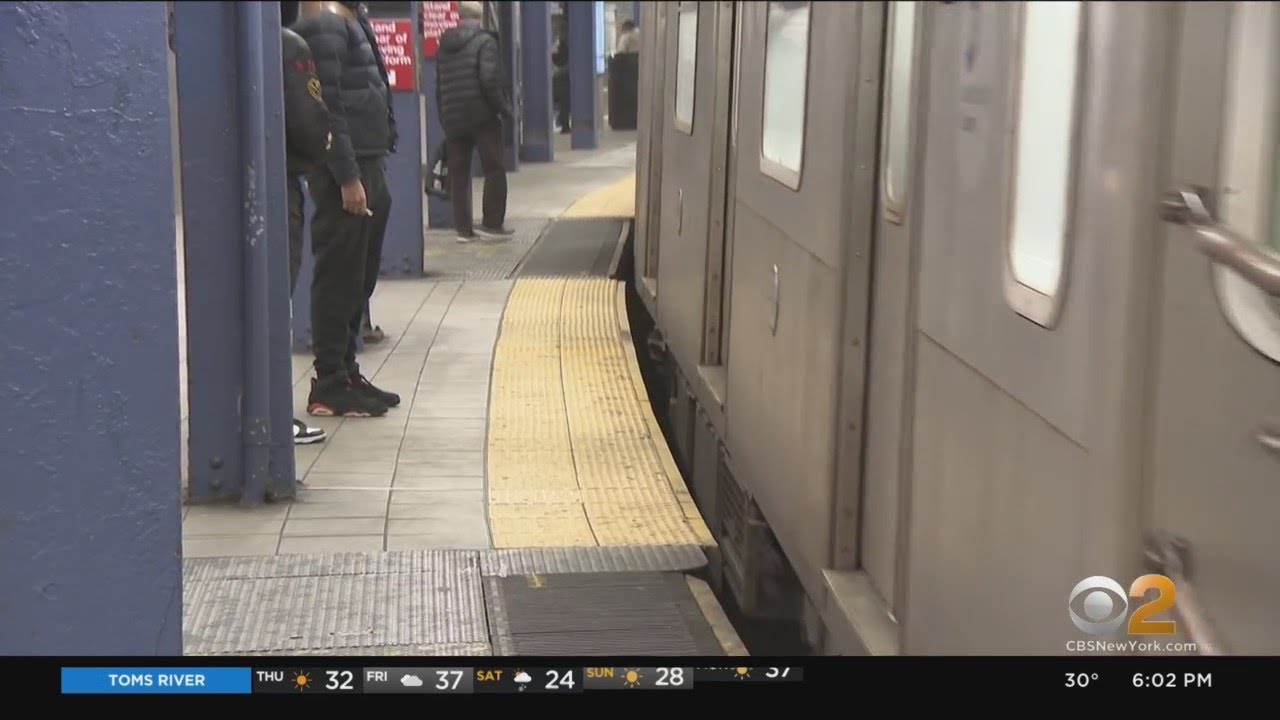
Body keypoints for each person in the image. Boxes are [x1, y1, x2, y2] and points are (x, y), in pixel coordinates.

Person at [294, 1, 400, 417]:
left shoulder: (352, 18)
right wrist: (347, 176)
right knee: (340, 273)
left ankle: (346, 369)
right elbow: (328, 107)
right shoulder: (325, 22)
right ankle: (329, 382)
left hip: (368, 159)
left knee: (359, 273)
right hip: (347, 169)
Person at [281, 1, 333, 444]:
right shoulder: (288, 46)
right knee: (275, 298)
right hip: (278, 186)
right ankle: (275, 413)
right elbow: (310, 123)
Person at [435, 1, 515, 243]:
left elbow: (439, 86)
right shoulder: (485, 42)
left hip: (453, 117)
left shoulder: (444, 45)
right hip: (482, 116)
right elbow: (489, 79)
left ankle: (464, 230)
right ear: (480, 17)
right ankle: (492, 224)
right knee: (494, 167)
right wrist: (505, 108)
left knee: (459, 174)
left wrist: (444, 116)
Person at [551, 14, 570, 134]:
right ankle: (563, 123)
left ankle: (563, 123)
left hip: (561, 74)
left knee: (563, 100)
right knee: (563, 100)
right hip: (561, 74)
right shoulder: (561, 42)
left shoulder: (564, 42)